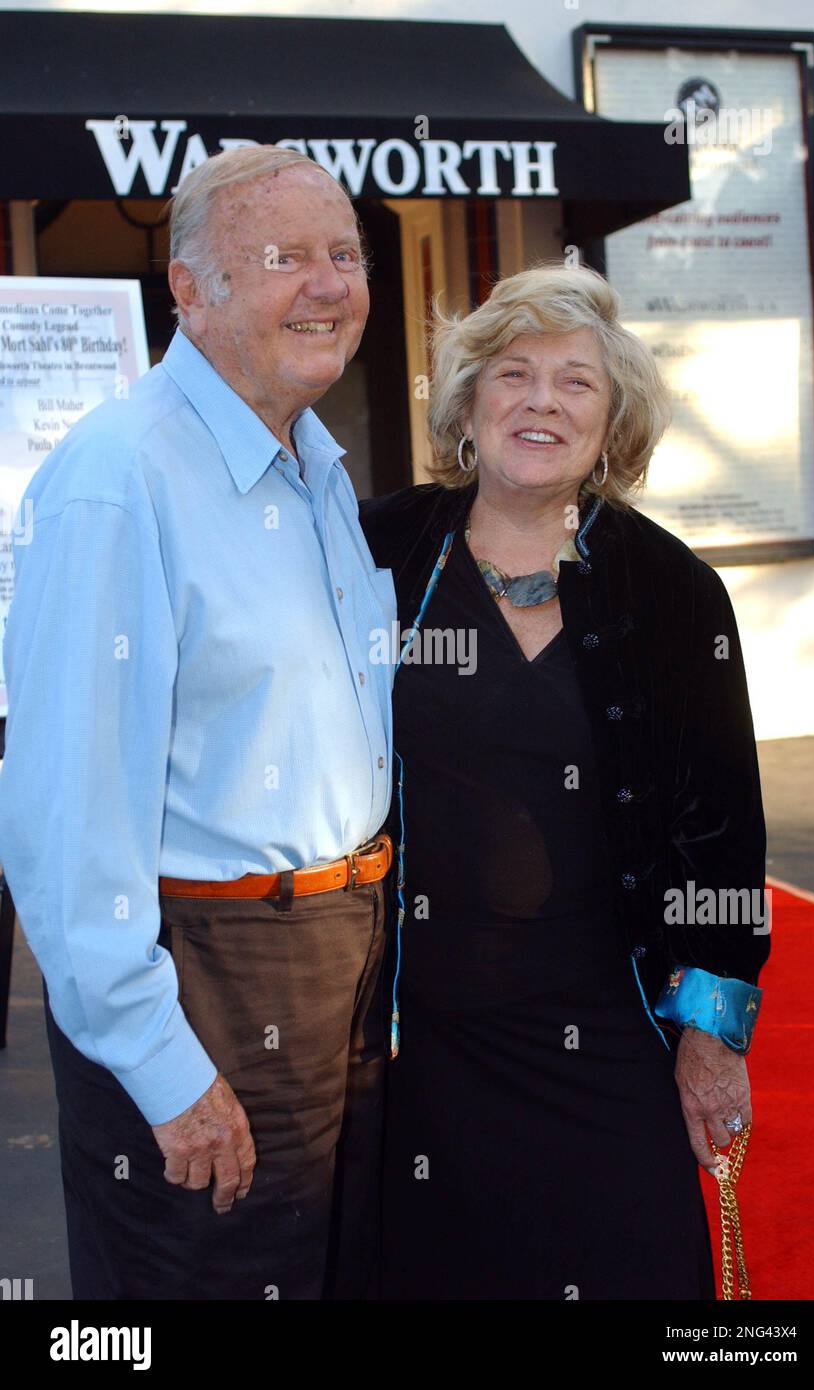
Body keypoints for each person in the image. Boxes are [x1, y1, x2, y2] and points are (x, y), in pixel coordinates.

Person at [0, 146, 397, 1300]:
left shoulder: (317, 468)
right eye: (287, 257)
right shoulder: (117, 479)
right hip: (207, 979)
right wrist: (164, 1067)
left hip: (343, 967)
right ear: (187, 289)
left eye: (345, 254)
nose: (329, 284)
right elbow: (67, 820)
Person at [359, 263, 770, 1300]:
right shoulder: (381, 549)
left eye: (575, 382)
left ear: (612, 422)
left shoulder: (672, 588)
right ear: (467, 404)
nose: (540, 399)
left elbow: (721, 833)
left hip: (606, 1029)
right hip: (417, 1038)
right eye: (512, 372)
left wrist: (711, 1038)